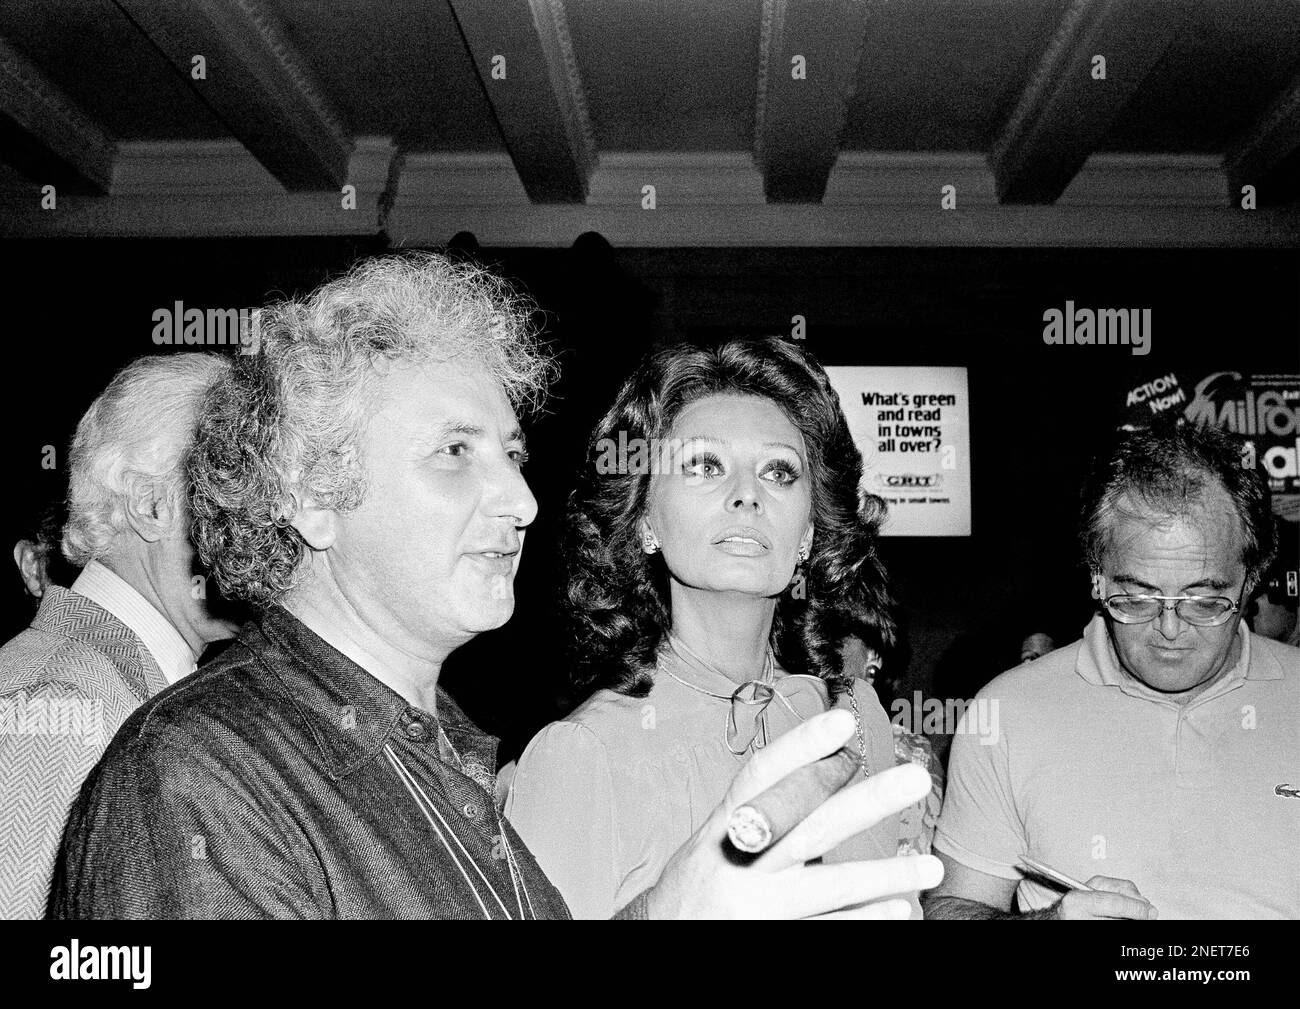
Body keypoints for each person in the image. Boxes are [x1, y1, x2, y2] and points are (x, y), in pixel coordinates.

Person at [50, 254, 941, 920]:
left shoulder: (449, 762)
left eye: (512, 456)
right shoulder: (194, 774)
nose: (519, 499)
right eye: (455, 453)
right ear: (314, 495)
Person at [504, 338, 917, 919]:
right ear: (645, 518)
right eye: (704, 465)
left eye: (779, 471)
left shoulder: (853, 720)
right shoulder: (582, 757)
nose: (747, 494)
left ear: (808, 533)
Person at [924, 420, 1300, 920]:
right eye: (1137, 597)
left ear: (1251, 581)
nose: (1169, 629)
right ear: (1097, 577)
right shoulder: (1008, 712)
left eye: (1205, 600)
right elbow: (950, 910)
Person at [0, 353, 240, 919]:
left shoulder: (116, 689)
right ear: (151, 505)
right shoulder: (58, 705)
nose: (267, 526)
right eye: (234, 486)